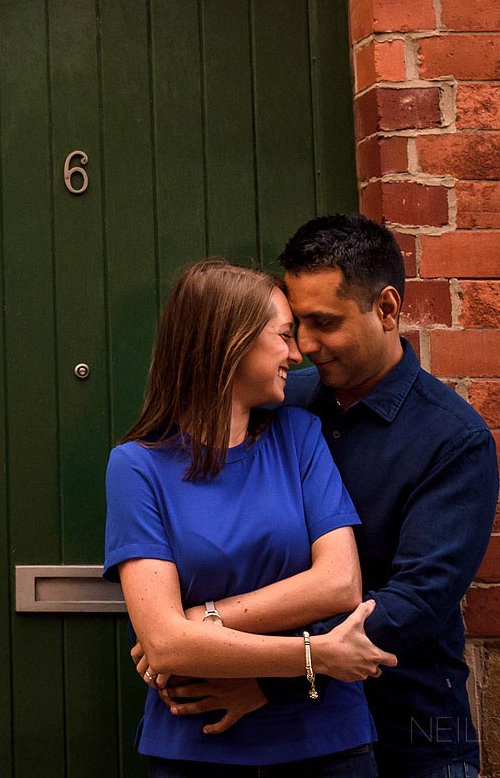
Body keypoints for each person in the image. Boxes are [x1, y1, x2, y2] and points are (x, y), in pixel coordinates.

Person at [155, 217, 499, 778]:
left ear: (386, 309)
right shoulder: (282, 404)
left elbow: (414, 602)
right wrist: (179, 633)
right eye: (295, 325)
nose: (305, 346)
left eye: (324, 323)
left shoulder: (453, 440)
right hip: (292, 742)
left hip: (410, 734)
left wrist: (267, 675)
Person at [106, 258, 396, 777]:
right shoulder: (137, 467)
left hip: (325, 739)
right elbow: (165, 644)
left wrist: (200, 620)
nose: (295, 353)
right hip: (196, 743)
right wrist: (316, 654)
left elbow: (339, 584)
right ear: (230, 343)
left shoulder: (300, 436)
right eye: (283, 336)